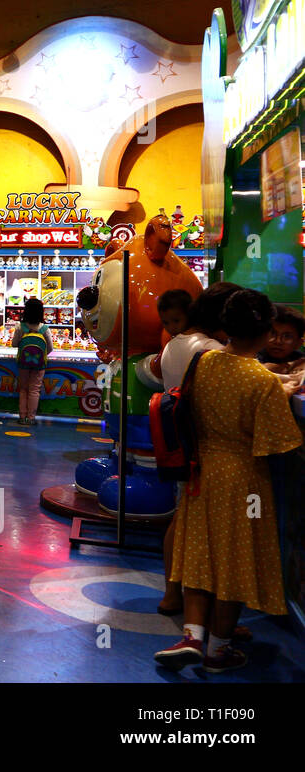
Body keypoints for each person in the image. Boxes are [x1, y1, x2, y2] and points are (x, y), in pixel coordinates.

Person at [154, 289, 301, 674]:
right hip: (245, 482)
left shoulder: (205, 363)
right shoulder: (261, 380)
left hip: (203, 473)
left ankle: (191, 635)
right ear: (267, 332)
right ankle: (218, 649)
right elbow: (279, 442)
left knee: (201, 553)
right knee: (237, 559)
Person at [156, 282, 240, 616]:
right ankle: (210, 608)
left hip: (182, 444)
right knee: (207, 528)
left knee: (181, 520)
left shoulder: (174, 346)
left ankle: (172, 593)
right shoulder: (211, 349)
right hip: (210, 449)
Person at [14, 297, 51, 426]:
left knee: (23, 389)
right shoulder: (44, 328)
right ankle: (31, 418)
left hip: (23, 363)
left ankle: (22, 417)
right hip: (39, 364)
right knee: (35, 390)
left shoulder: (20, 327)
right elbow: (50, 348)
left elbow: (14, 344)